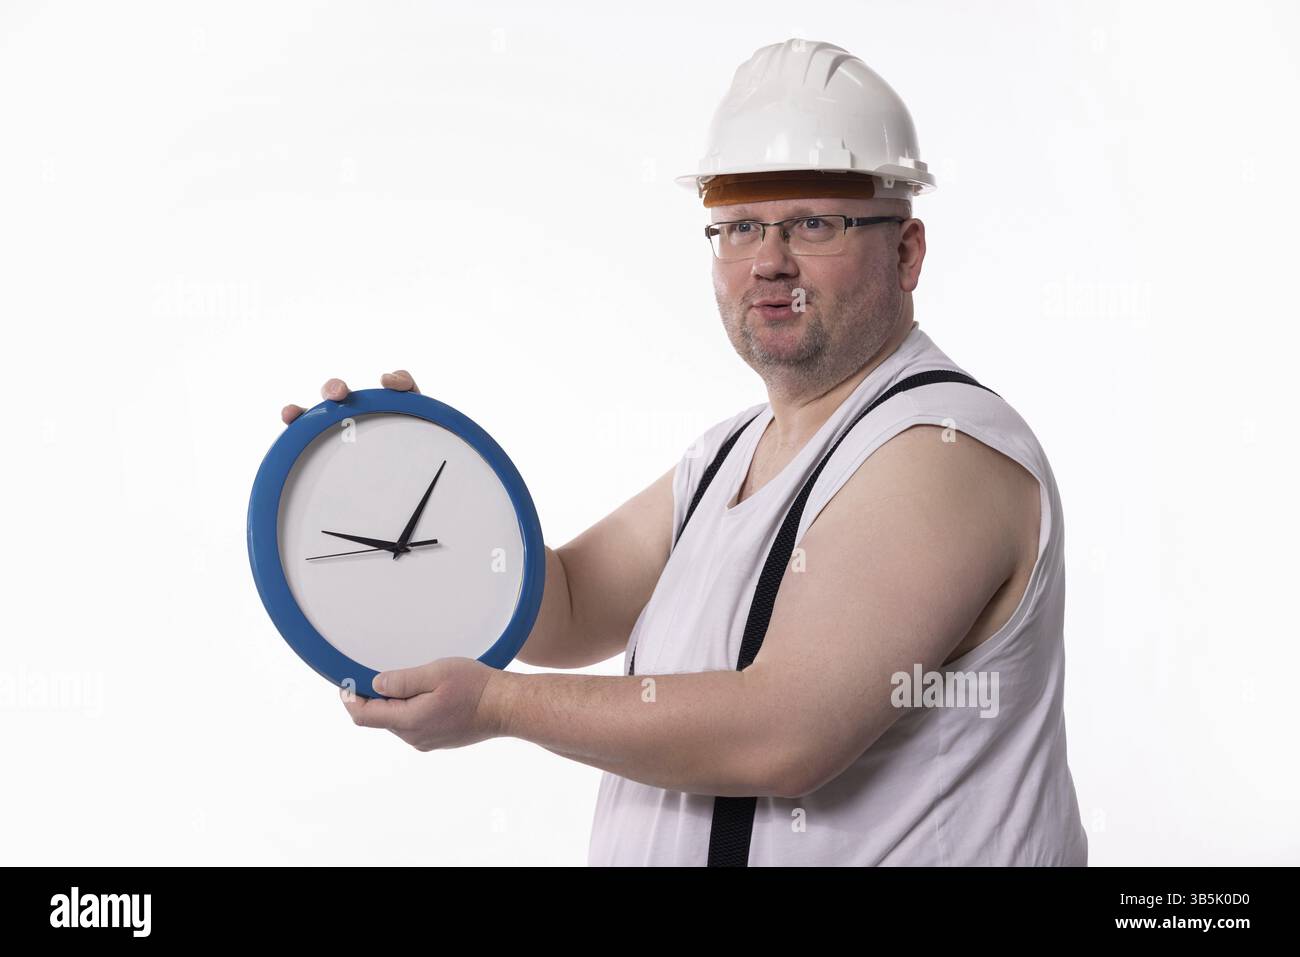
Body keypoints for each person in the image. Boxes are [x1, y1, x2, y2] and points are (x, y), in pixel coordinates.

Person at [280, 38, 1087, 866]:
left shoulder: (942, 451)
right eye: (739, 228)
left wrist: (497, 705)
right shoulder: (727, 456)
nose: (768, 262)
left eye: (814, 223)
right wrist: (411, 465)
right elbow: (559, 605)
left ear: (906, 251)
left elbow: (784, 732)